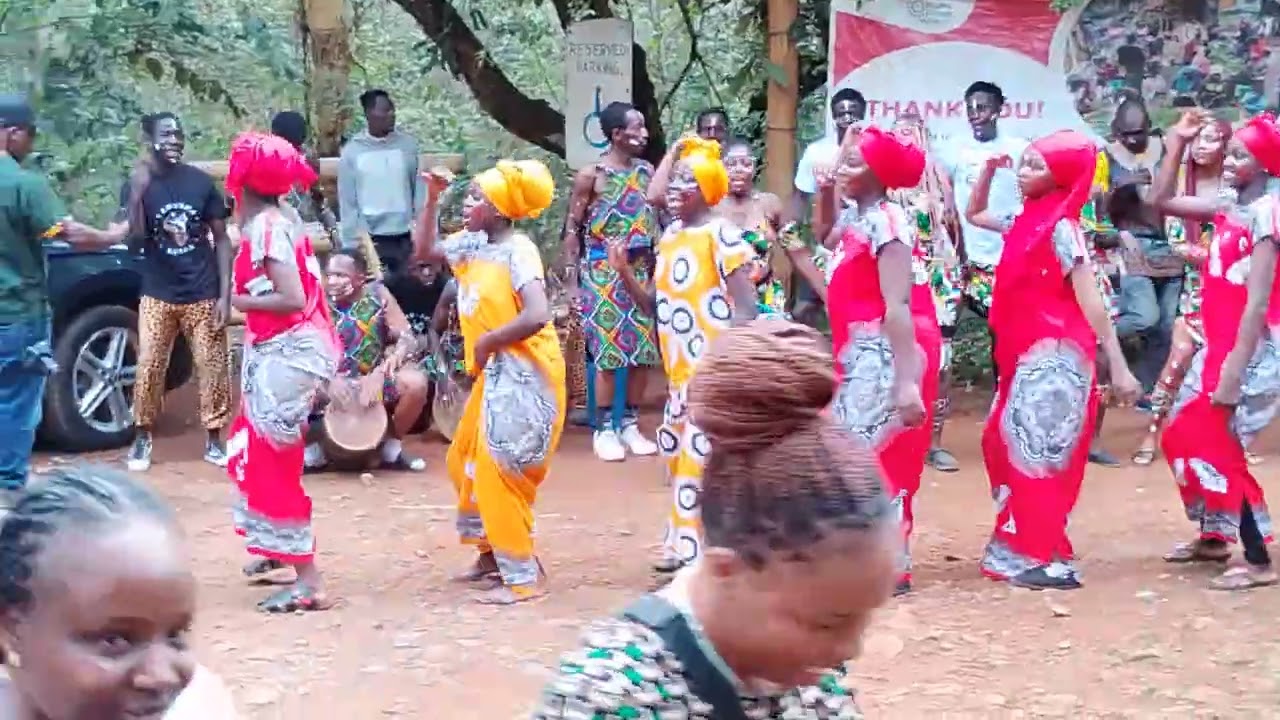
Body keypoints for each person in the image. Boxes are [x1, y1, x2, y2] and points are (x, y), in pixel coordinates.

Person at [530, 321, 896, 720]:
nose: (851, 649)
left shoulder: (808, 678)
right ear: (726, 570)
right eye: (828, 624)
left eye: (862, 618)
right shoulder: (611, 696)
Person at [966, 130, 1140, 590]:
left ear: (1061, 175)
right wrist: (987, 173)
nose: (1024, 172)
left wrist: (1117, 364)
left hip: (1055, 359)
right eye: (1024, 163)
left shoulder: (1064, 229)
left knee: (1037, 451)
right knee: (1001, 442)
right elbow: (974, 214)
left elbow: (1091, 301)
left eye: (1036, 165)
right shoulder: (1025, 218)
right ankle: (1024, 541)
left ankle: (1037, 553)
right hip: (1022, 354)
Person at [788, 125, 937, 596]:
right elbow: (825, 237)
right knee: (855, 456)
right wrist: (829, 186)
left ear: (878, 174)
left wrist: (907, 382)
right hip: (860, 356)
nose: (840, 169)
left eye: (852, 162)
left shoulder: (889, 224)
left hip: (887, 354)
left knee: (876, 459)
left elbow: (898, 304)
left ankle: (886, 565)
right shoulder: (859, 216)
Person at [410, 160, 566, 605]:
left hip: (526, 373)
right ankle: (492, 555)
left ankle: (522, 576)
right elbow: (424, 251)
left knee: (500, 469)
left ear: (498, 209)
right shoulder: (473, 244)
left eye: (476, 197)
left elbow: (538, 314)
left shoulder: (519, 250)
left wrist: (486, 343)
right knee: (463, 459)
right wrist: (432, 199)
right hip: (498, 372)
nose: (468, 203)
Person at [611, 137, 759, 572]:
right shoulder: (672, 237)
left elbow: (746, 308)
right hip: (679, 378)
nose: (674, 189)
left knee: (697, 463)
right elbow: (655, 307)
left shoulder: (722, 236)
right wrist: (624, 273)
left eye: (685, 181)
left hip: (709, 374)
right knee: (679, 463)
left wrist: (724, 366)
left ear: (707, 189)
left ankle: (690, 557)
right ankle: (695, 549)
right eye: (673, 180)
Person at [1150, 111, 1280, 590]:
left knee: (1218, 443)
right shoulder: (1231, 203)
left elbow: (1258, 302)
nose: (1227, 161)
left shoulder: (1269, 212)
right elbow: (1160, 200)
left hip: (1252, 350)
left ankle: (1258, 559)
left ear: (1265, 164)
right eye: (1229, 153)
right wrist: (1175, 144)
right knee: (1181, 434)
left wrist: (1233, 372)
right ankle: (1215, 533)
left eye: (1240, 155)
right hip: (1220, 342)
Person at [0, 464, 239, 719]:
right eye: (114, 641)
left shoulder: (198, 709)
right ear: (10, 631)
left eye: (175, 635)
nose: (162, 676)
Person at [224, 131, 339, 613]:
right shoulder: (280, 217)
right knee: (260, 446)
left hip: (288, 350)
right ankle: (278, 546)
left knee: (273, 458)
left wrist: (237, 301)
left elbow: (291, 298)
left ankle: (308, 580)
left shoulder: (267, 227)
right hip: (285, 349)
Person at [0, 95, 118, 501]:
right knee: (16, 402)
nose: (30, 144)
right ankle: (7, 491)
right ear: (13, 133)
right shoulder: (23, 185)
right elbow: (66, 234)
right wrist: (114, 236)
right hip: (17, 314)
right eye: (30, 135)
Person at [117, 112, 233, 472]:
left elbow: (221, 238)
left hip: (202, 289)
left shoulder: (199, 182)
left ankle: (214, 438)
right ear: (150, 139)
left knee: (212, 365)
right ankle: (142, 436)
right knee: (150, 364)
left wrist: (225, 295)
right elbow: (134, 241)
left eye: (179, 134)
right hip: (158, 290)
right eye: (166, 134)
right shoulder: (137, 183)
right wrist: (137, 194)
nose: (175, 140)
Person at [563, 101, 662, 462]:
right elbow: (572, 229)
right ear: (617, 134)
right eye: (637, 128)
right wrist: (573, 283)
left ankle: (630, 424)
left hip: (641, 270)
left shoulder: (647, 171)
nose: (644, 134)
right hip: (603, 272)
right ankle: (604, 429)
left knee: (643, 352)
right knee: (609, 353)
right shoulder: (592, 176)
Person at [1134, 118, 1232, 466]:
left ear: (1226, 146)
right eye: (1197, 140)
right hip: (1197, 291)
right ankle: (1152, 433)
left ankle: (1228, 439)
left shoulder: (1235, 189)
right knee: (1177, 362)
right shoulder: (1179, 187)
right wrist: (1222, 253)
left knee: (1229, 368)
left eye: (1212, 139)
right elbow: (1177, 244)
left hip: (1232, 292)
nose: (1202, 146)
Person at [936, 81, 1030, 384]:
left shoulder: (1018, 149)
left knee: (1001, 330)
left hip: (1002, 255)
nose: (975, 114)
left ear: (998, 110)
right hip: (963, 256)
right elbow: (941, 186)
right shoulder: (954, 149)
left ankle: (1004, 392)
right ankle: (936, 395)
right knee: (943, 326)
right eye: (970, 108)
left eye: (983, 107)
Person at [303, 249, 429, 472]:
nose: (333, 281)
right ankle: (312, 452)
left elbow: (408, 338)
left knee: (415, 384)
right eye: (329, 275)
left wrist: (380, 373)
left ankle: (390, 449)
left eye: (341, 275)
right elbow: (300, 349)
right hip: (327, 384)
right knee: (290, 385)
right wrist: (327, 379)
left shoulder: (378, 295)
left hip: (371, 385)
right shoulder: (316, 299)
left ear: (360, 278)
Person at [891, 113, 963, 474]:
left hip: (938, 275)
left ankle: (933, 442)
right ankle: (895, 438)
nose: (908, 141)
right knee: (896, 353)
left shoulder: (938, 178)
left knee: (941, 359)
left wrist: (957, 271)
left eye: (913, 134)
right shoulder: (883, 181)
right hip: (898, 276)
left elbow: (953, 228)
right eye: (900, 136)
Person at [338, 89, 423, 276]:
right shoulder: (353, 151)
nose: (391, 115)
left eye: (392, 110)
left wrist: (423, 230)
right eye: (385, 110)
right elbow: (348, 201)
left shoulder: (407, 147)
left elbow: (419, 191)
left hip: (405, 236)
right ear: (369, 114)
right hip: (370, 237)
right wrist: (351, 243)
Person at [716, 137, 785, 317]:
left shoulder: (770, 204)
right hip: (721, 296)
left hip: (766, 297)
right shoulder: (711, 208)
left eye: (746, 163)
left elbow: (795, 248)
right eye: (731, 164)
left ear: (755, 168)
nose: (738, 169)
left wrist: (825, 294)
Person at [787, 88, 867, 226]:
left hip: (867, 226)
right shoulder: (816, 152)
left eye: (852, 113)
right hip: (827, 227)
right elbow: (801, 196)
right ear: (834, 116)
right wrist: (790, 228)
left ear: (862, 114)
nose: (847, 119)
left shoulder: (876, 149)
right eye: (841, 114)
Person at [270, 110, 337, 239]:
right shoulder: (269, 160)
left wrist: (331, 227)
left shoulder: (307, 158)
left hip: (304, 226)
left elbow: (319, 198)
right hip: (284, 226)